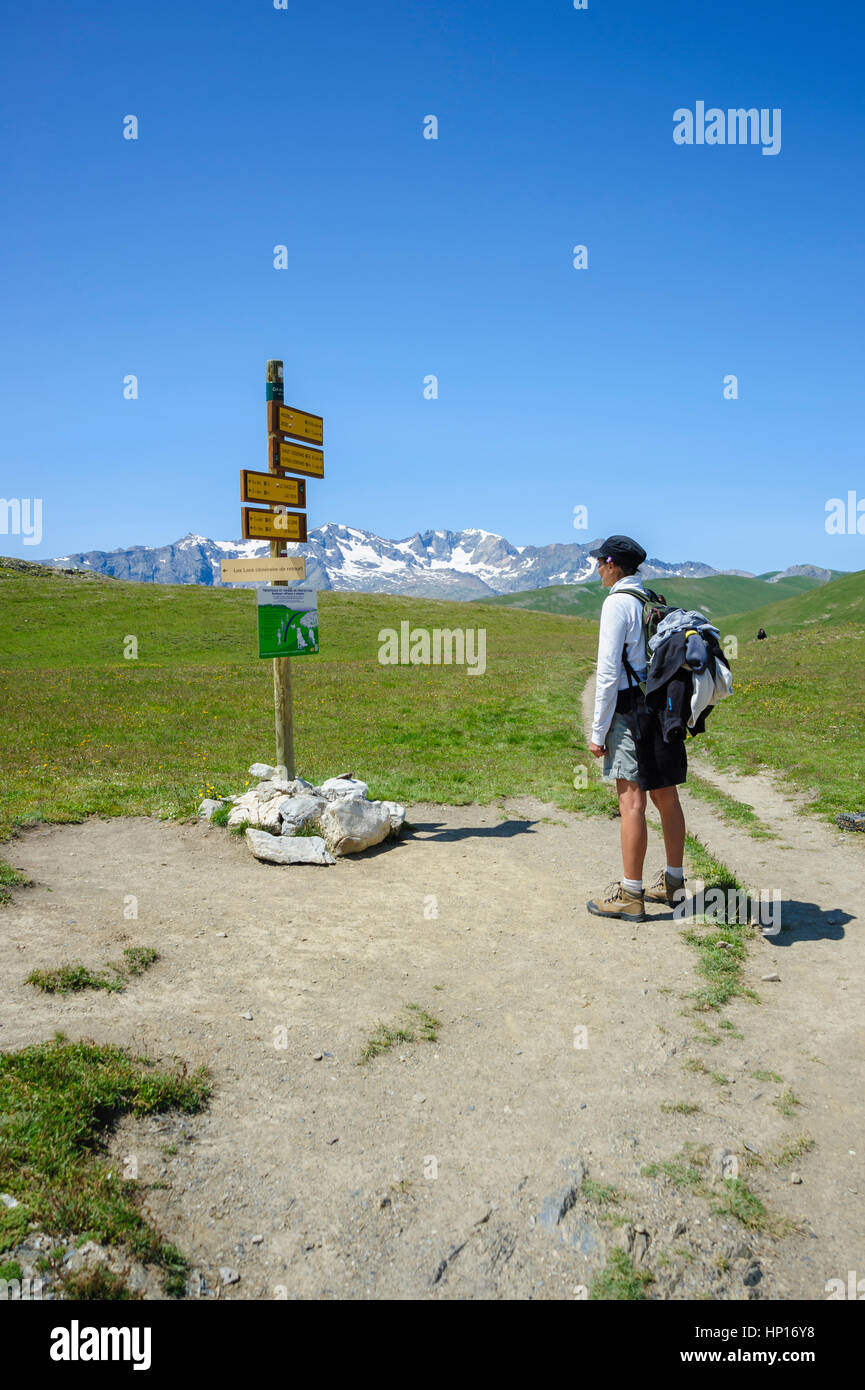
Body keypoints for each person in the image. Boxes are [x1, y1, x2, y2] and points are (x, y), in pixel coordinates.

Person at [585, 535, 687, 922]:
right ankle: (674, 884)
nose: (597, 569)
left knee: (631, 803)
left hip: (630, 710)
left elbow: (608, 673)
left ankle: (630, 894)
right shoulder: (651, 600)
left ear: (613, 565)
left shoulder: (617, 604)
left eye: (600, 562)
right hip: (662, 707)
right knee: (667, 798)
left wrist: (598, 732)